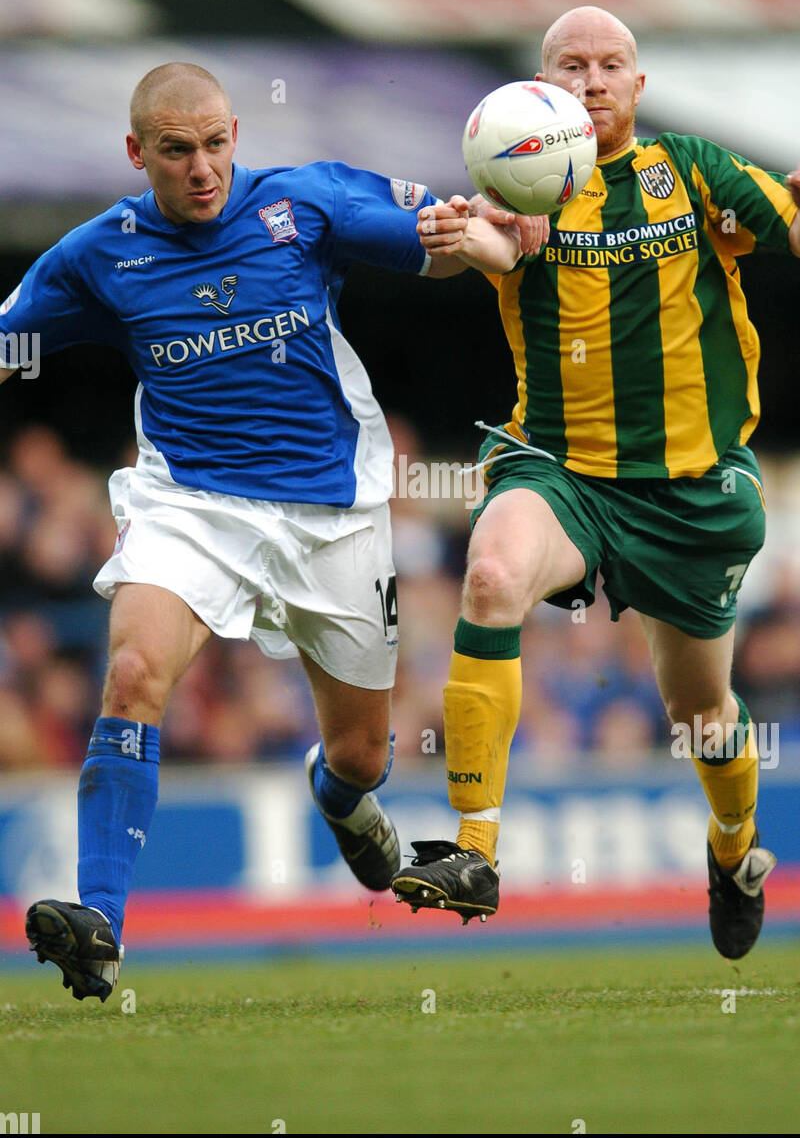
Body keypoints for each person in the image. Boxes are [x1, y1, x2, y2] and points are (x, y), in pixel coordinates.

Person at [0, 61, 521, 1002]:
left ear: (236, 135)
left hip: (335, 514)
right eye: (176, 151)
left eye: (214, 145)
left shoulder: (304, 203)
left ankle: (339, 796)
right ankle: (101, 925)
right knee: (132, 672)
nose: (201, 168)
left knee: (362, 755)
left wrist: (468, 235)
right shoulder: (98, 254)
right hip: (192, 506)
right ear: (136, 152)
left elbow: (437, 252)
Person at [391, 6, 800, 959]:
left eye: (610, 65)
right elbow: (490, 248)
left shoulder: (690, 170)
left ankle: (732, 849)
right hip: (560, 468)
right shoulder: (519, 179)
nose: (592, 80)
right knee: (491, 576)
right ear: (543, 83)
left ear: (638, 85)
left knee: (701, 714)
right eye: (572, 65)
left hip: (689, 489)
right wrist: (453, 240)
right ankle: (474, 850)